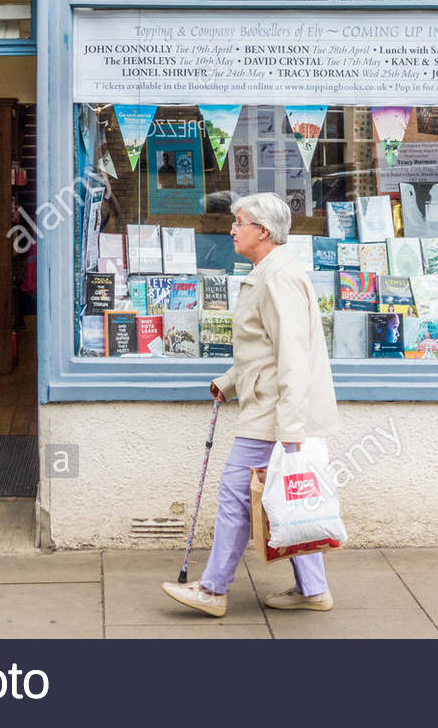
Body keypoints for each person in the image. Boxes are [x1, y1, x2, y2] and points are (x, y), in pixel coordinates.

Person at [161, 192, 339, 617]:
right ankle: (313, 589)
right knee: (283, 496)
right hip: (269, 406)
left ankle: (213, 588)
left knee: (236, 494)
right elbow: (260, 350)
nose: (231, 229)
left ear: (262, 231)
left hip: (274, 413)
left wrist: (291, 430)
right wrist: (229, 382)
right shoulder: (266, 271)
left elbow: (293, 356)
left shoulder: (277, 277)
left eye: (238, 222)